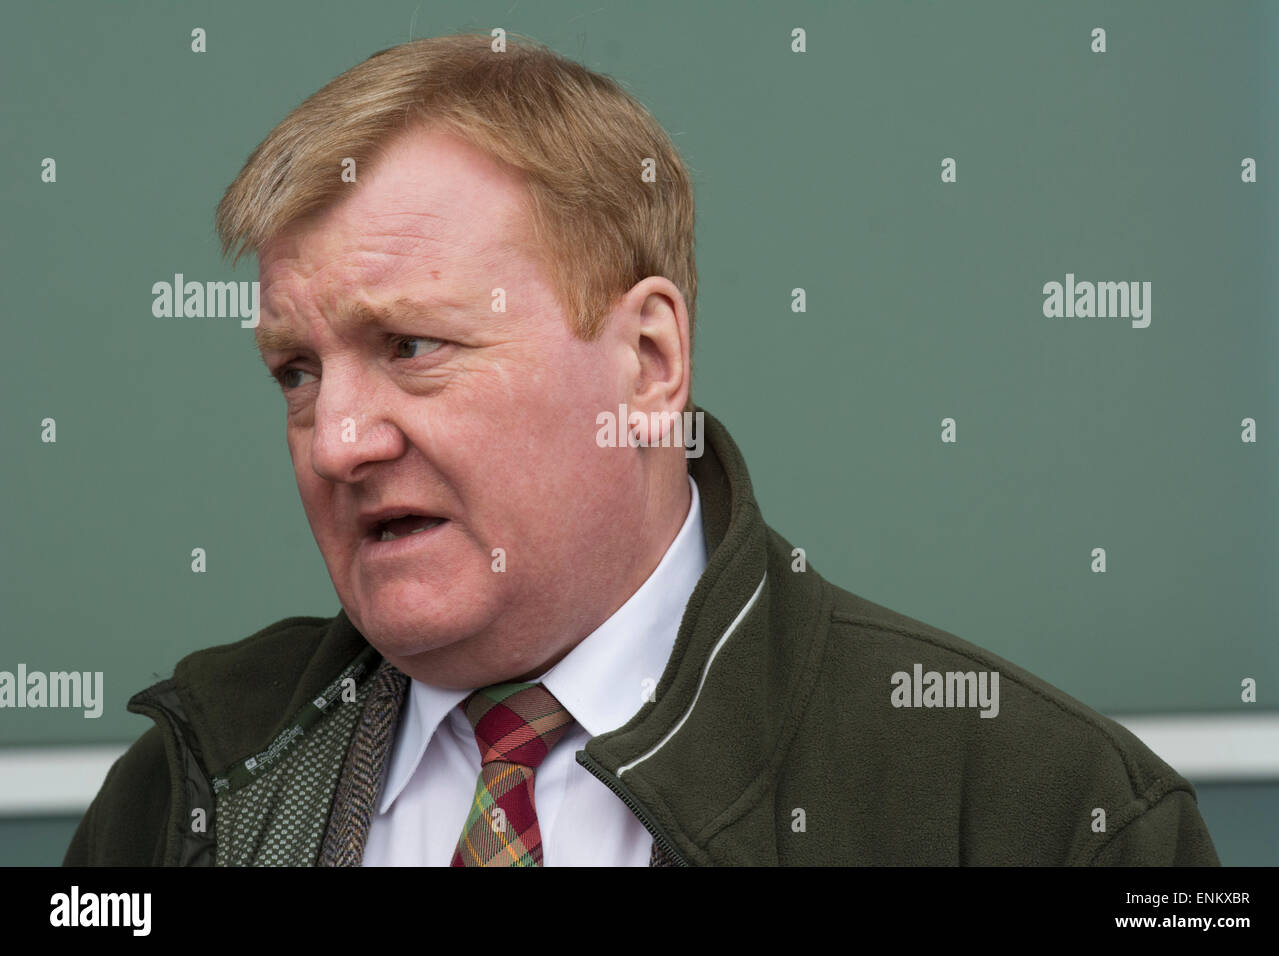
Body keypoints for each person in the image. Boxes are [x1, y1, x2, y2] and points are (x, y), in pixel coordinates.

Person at [64, 33, 1219, 866]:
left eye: (412, 344)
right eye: (297, 371)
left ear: (649, 359)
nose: (338, 439)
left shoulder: (1036, 808)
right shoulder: (192, 787)